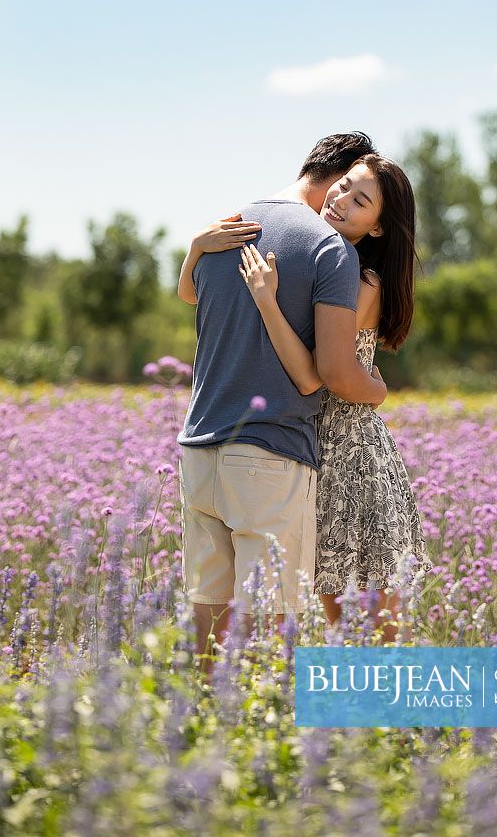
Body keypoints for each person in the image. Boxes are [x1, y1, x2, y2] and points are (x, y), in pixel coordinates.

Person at [176, 133, 387, 665]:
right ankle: (262, 737)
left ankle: (202, 727)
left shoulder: (226, 224)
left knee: (207, 608)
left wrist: (194, 248)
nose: (342, 202)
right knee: (270, 612)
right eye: (347, 188)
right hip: (270, 453)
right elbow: (327, 374)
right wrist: (377, 387)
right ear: (337, 177)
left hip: (200, 444)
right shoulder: (327, 248)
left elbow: (190, 293)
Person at [206, 154, 429, 642]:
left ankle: (389, 718)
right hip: (313, 447)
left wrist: (267, 302)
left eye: (360, 200)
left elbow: (320, 375)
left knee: (367, 625)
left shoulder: (358, 278)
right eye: (344, 185)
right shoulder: (327, 259)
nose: (341, 200)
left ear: (376, 228)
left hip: (349, 457)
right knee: (338, 617)